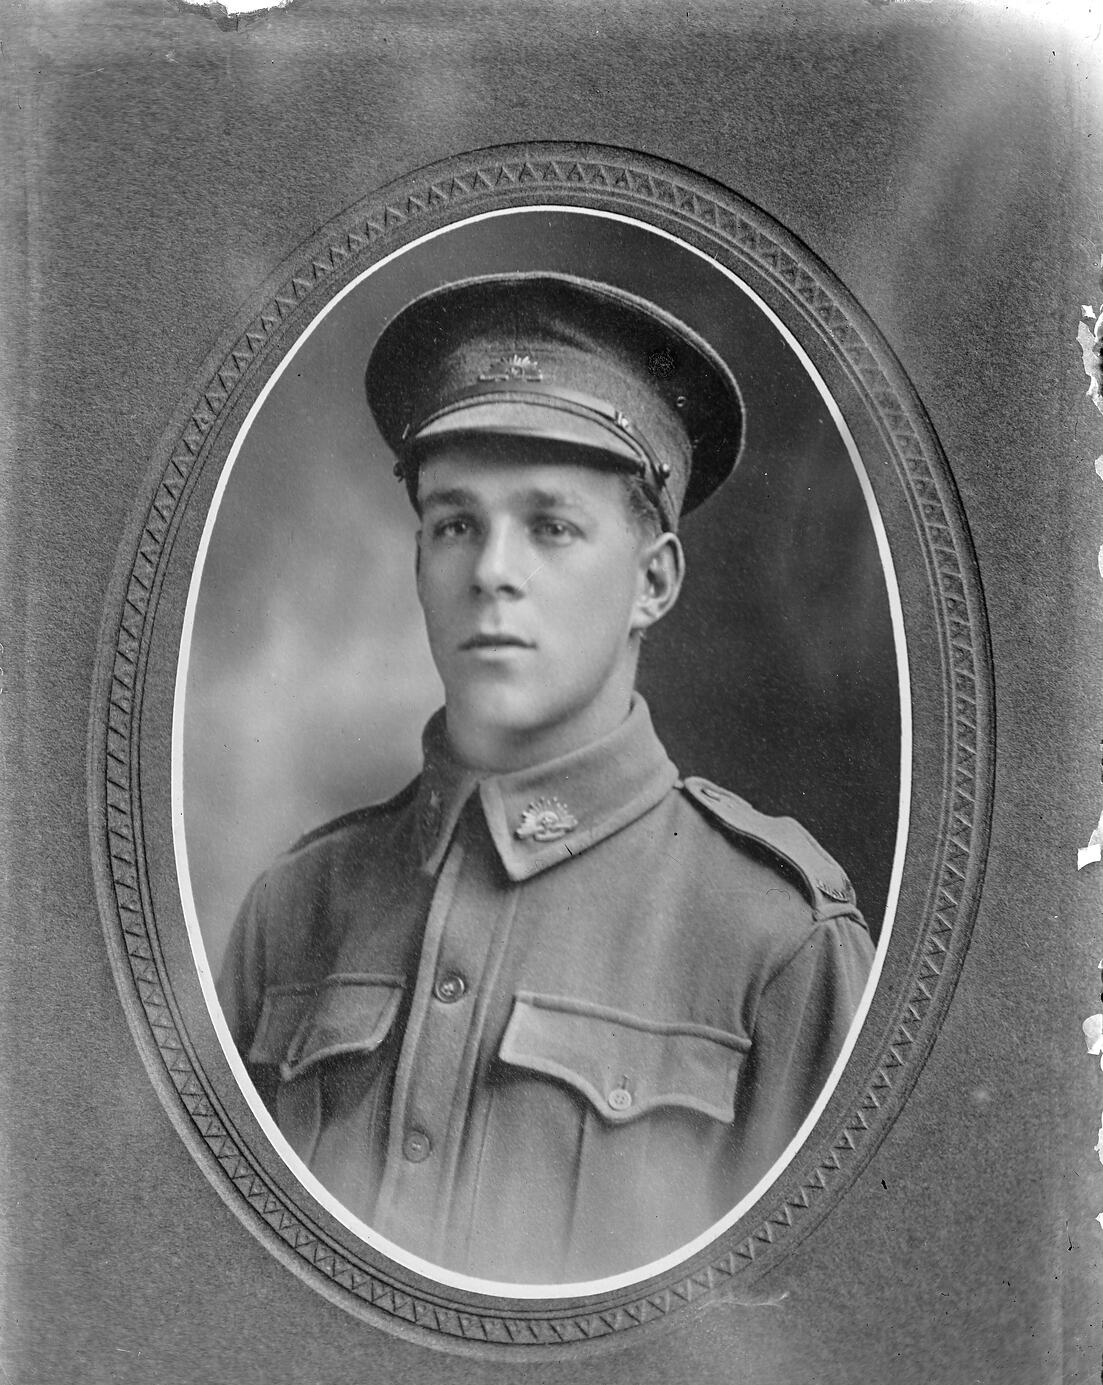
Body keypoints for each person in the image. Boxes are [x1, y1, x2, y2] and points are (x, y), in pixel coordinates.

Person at [218, 272, 874, 1284]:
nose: (489, 571)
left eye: (551, 527)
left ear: (650, 582)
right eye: (453, 522)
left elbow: (826, 1365)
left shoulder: (777, 942)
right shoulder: (292, 911)